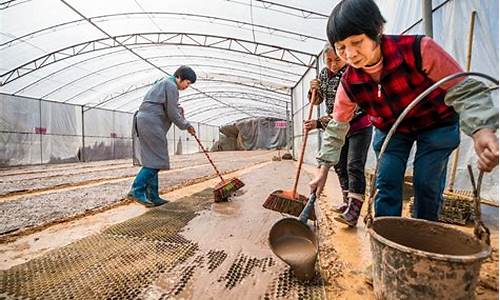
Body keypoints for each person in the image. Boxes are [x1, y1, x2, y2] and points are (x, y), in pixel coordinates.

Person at [309, 0, 499, 222]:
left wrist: (482, 131)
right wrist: (323, 170)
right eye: (341, 47)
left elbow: (464, 90)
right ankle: (386, 237)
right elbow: (337, 126)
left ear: (378, 30)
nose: (350, 54)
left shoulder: (419, 50)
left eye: (357, 42)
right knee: (387, 181)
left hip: (437, 123)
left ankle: (423, 234)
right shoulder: (350, 82)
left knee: (427, 183)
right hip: (392, 129)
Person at [305, 43, 372, 226]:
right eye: (329, 61)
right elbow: (317, 101)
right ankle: (346, 202)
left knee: (354, 165)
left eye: (337, 60)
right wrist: (313, 90)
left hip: (358, 125)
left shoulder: (352, 73)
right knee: (340, 165)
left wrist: (319, 123)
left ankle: (354, 209)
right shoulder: (324, 75)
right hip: (336, 127)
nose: (333, 64)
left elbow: (346, 112)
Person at [128, 66, 197, 207]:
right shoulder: (171, 85)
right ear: (179, 77)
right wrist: (186, 125)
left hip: (145, 121)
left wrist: (179, 111)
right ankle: (137, 189)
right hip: (151, 123)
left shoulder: (163, 82)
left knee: (153, 160)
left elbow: (169, 107)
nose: (187, 86)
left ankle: (153, 196)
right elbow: (171, 112)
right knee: (158, 158)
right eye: (187, 83)